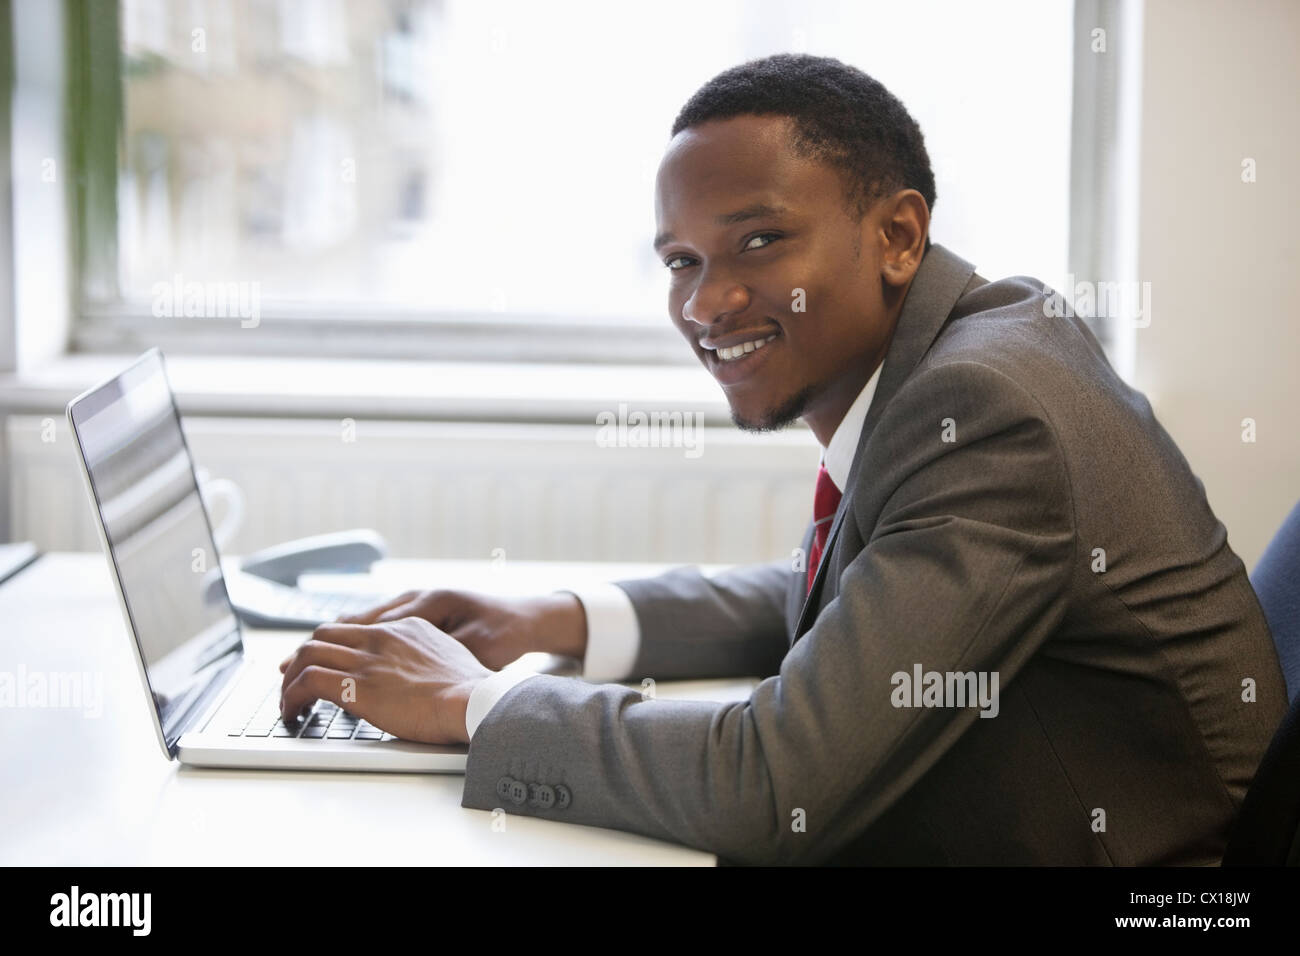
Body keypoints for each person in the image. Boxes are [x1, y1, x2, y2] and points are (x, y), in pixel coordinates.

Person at [279, 53, 1286, 865]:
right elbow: (856, 588)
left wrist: (471, 701)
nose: (705, 302)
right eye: (680, 260)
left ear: (896, 235)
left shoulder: (984, 408)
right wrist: (564, 618)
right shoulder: (963, 350)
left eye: (758, 239)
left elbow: (773, 783)